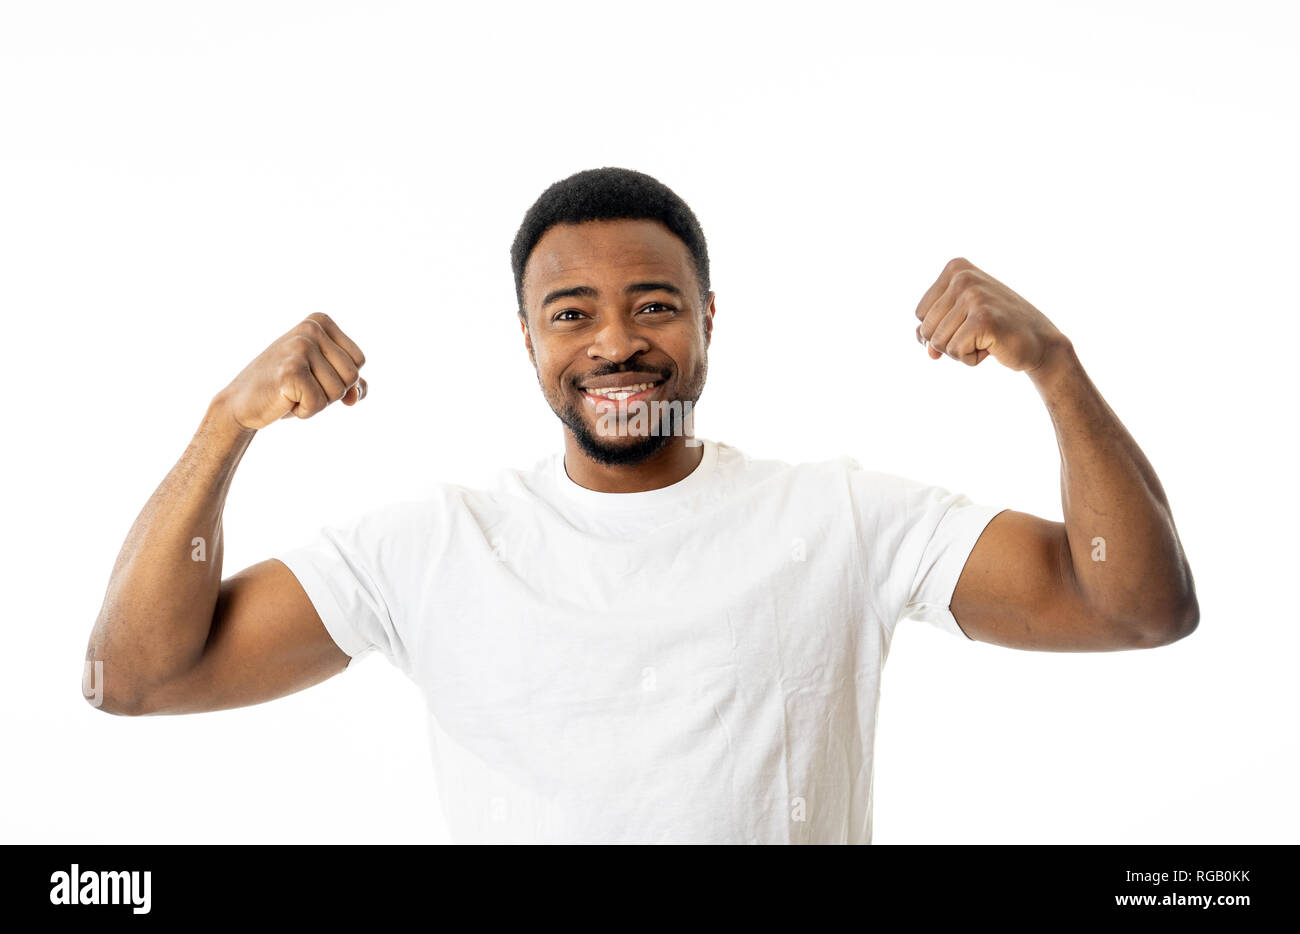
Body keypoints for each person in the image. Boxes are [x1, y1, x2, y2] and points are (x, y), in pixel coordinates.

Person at [84, 167, 1198, 844]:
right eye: (571, 314)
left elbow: (1137, 607)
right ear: (527, 340)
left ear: (709, 319)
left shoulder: (842, 520)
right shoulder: (430, 546)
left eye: (652, 304)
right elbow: (135, 676)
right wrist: (224, 424)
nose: (616, 341)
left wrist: (1054, 369)